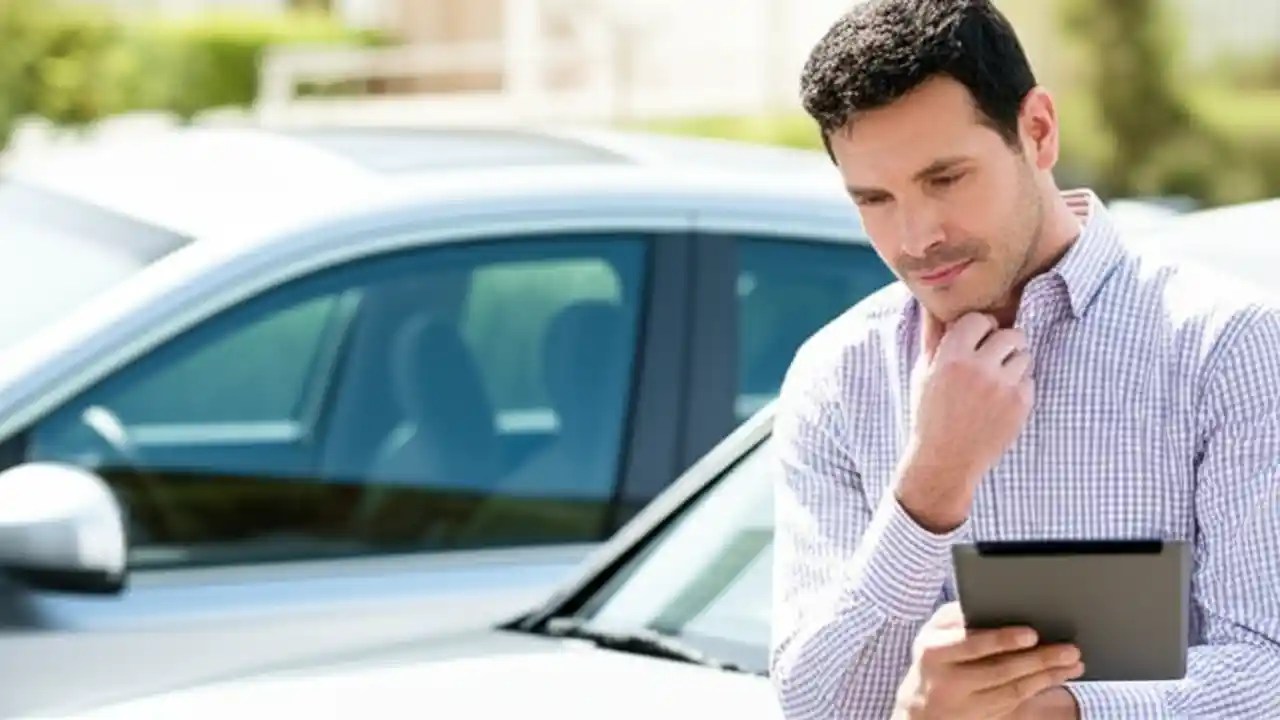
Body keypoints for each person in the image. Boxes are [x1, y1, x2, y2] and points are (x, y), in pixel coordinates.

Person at [768, 1, 1280, 718]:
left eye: (945, 178)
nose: (916, 237)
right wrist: (932, 484)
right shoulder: (836, 378)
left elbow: (1270, 670)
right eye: (875, 199)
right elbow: (817, 707)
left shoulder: (1229, 347)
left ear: (1037, 131)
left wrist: (1054, 711)